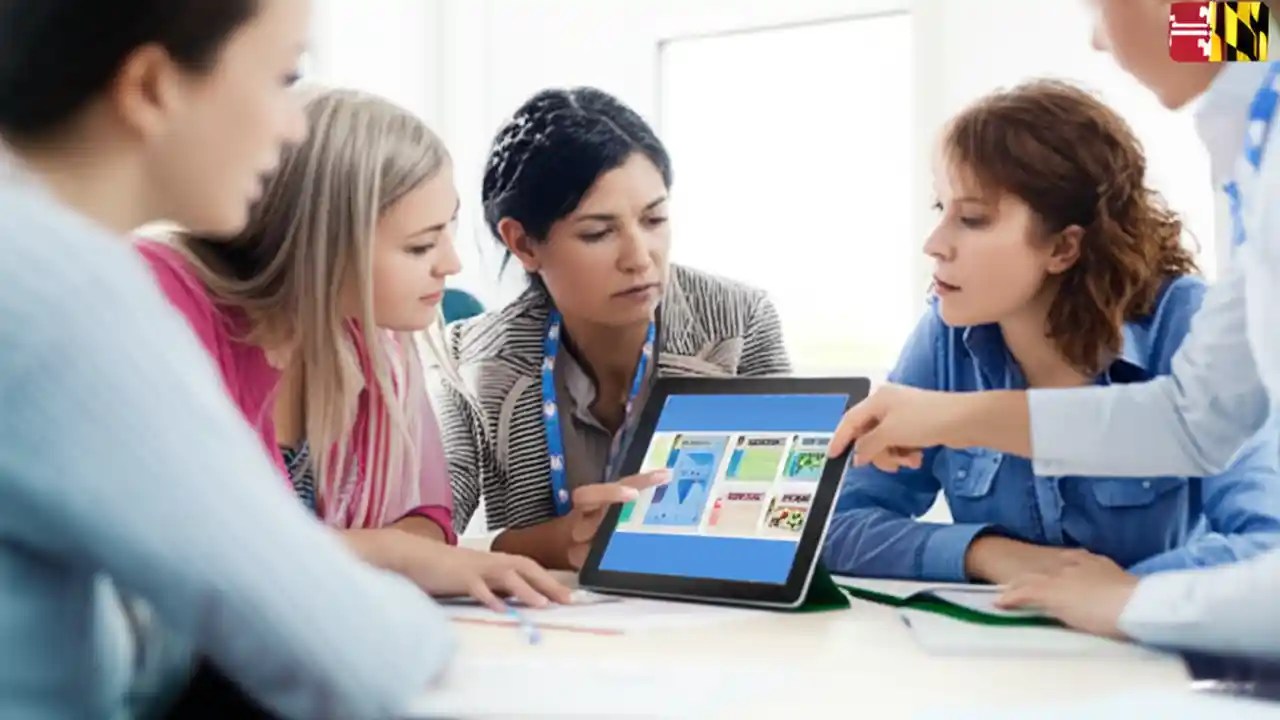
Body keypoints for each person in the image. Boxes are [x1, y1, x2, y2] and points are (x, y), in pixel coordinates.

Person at [0, 1, 454, 717]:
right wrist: (403, 613)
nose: (293, 124)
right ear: (151, 87)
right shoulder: (62, 288)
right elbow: (345, 651)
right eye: (284, 75)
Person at [827, 0, 1280, 659]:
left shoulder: (1249, 96)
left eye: (1101, 6)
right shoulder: (1251, 120)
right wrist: (992, 552)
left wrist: (1122, 595)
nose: (1098, 39)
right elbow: (1191, 423)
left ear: (1065, 247)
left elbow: (1250, 521)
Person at [137, 88, 570, 608]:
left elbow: (428, 522)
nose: (451, 264)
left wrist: (386, 551)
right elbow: (195, 545)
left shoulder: (374, 337)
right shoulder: (163, 306)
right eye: (420, 245)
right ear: (321, 242)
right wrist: (388, 552)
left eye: (448, 232)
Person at [436, 87, 792, 569]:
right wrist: (555, 544)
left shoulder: (739, 322)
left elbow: (794, 515)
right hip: (548, 629)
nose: (640, 258)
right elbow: (426, 532)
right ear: (523, 244)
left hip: (709, 621)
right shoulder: (470, 358)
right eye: (598, 233)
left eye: (655, 219)